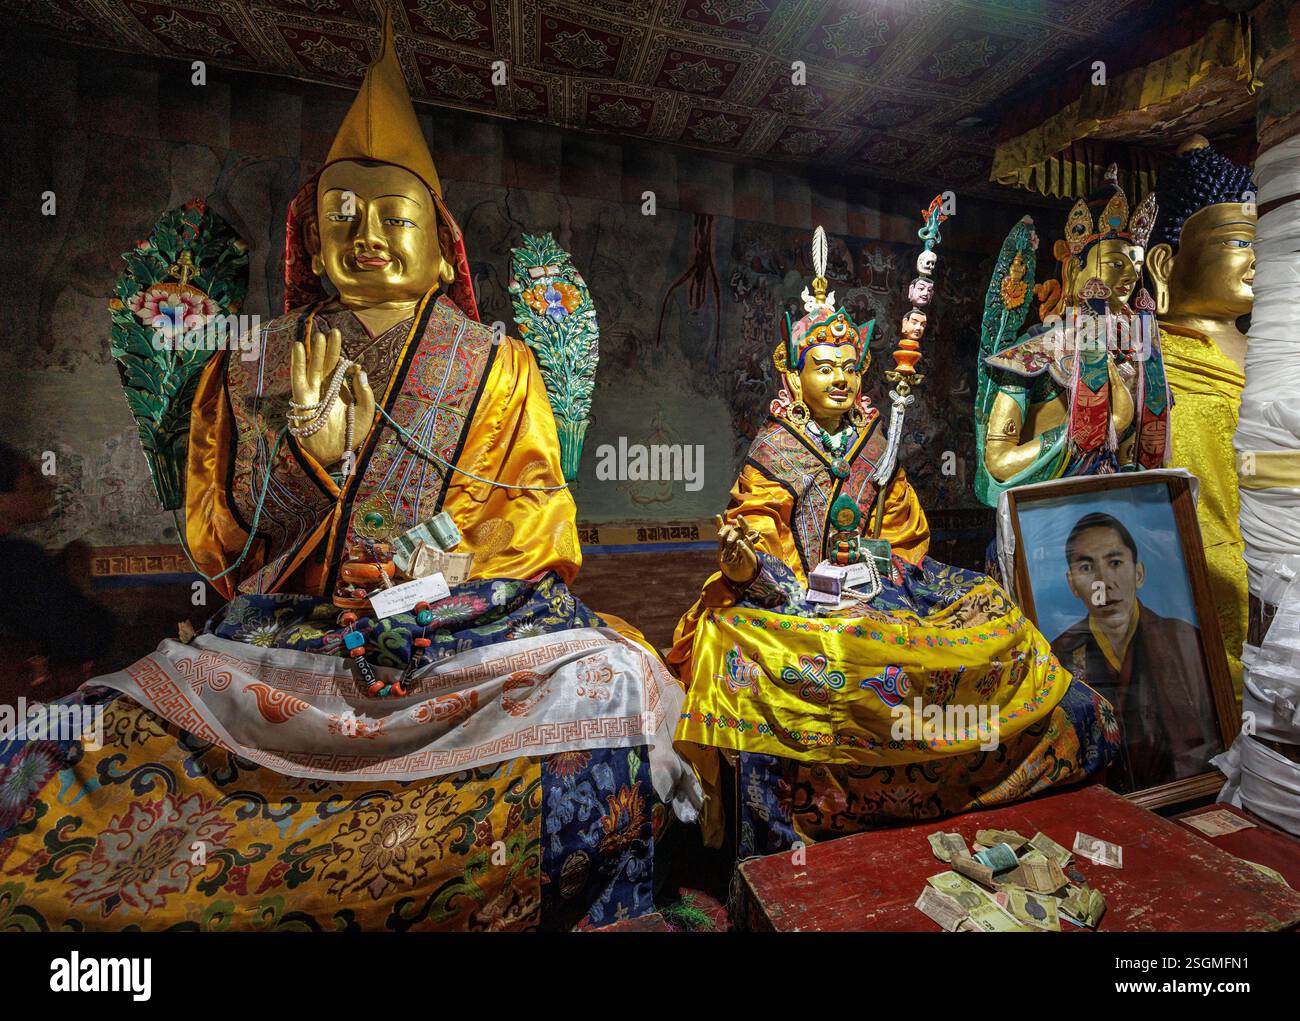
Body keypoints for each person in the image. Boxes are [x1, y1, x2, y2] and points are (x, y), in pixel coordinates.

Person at [0, 17, 696, 932]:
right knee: (77, 735)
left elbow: (535, 521)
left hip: (455, 640)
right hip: (289, 640)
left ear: (445, 249)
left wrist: (440, 574)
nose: (367, 234)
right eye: (343, 217)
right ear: (311, 238)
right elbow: (221, 543)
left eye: (395, 218)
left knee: (615, 679)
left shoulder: (498, 364)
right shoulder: (248, 365)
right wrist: (302, 460)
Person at [669, 230, 1119, 853]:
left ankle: (1008, 754)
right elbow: (759, 542)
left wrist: (884, 574)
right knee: (740, 648)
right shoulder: (773, 452)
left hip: (886, 588)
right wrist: (750, 566)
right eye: (823, 368)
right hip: (800, 601)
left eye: (850, 368)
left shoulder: (875, 443)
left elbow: (905, 535)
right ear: (793, 376)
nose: (840, 380)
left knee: (989, 612)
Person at [1147, 136, 1256, 695]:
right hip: (1204, 579)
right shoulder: (1148, 363)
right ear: (1165, 263)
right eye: (1237, 240)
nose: (1254, 259)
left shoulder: (1278, 350)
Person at [1050, 512, 1220, 792]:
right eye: (1086, 567)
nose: (1103, 582)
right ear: (1072, 584)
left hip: (1186, 796)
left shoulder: (1184, 640)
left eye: (1115, 563)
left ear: (1138, 573)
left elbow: (1206, 739)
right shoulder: (1059, 654)